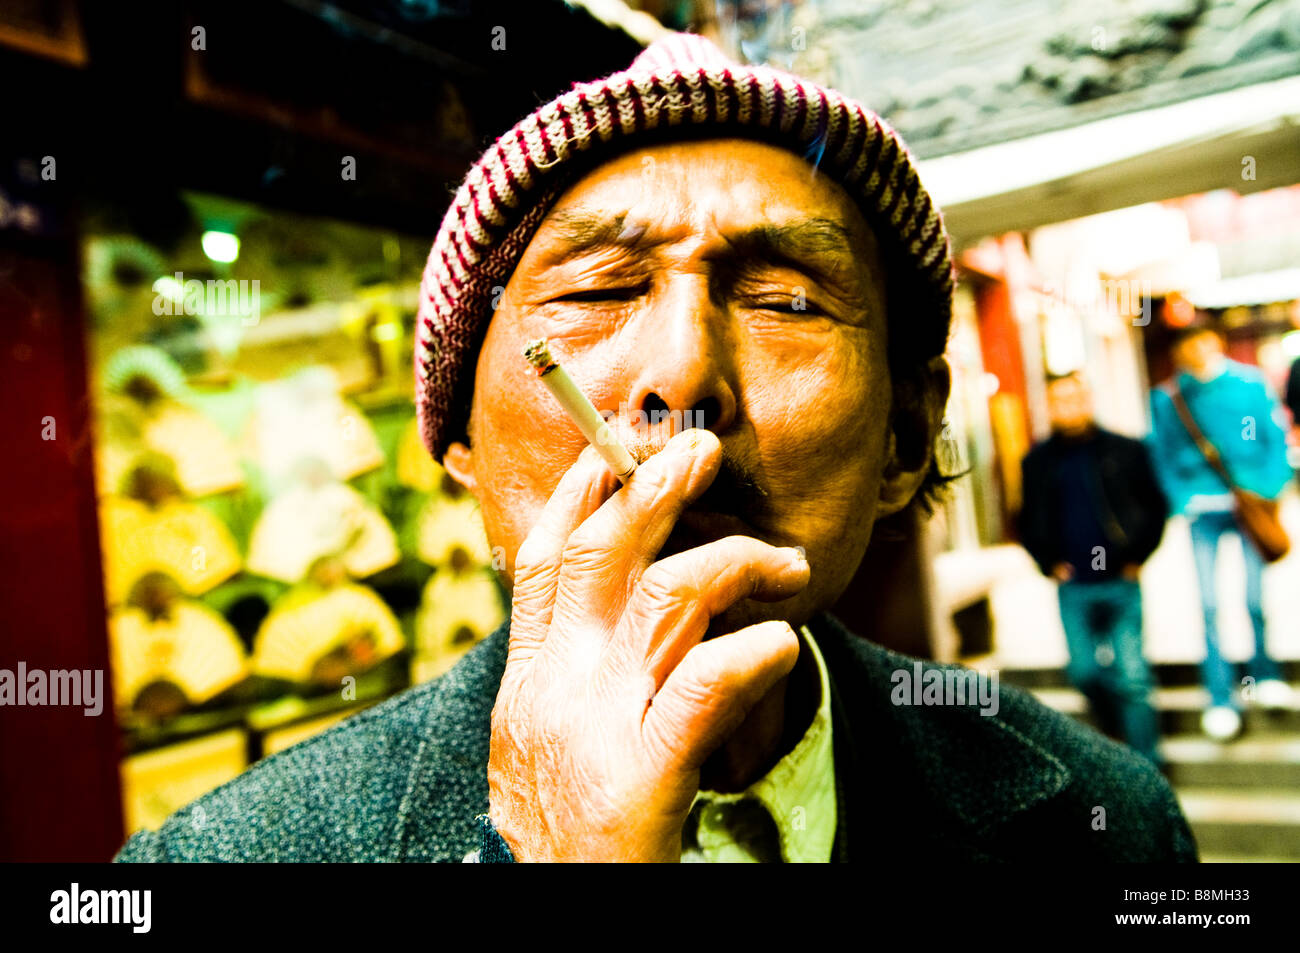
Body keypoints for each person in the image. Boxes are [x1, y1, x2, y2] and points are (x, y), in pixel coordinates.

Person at [114, 33, 1195, 863]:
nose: (682, 375)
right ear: (459, 449)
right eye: (595, 290)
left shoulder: (1110, 822)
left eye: (784, 299)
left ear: (908, 436)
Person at [1148, 325, 1296, 742]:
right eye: (1184, 347)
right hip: (1203, 509)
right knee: (1209, 604)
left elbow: (1274, 439)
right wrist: (1182, 499)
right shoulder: (1169, 398)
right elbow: (1162, 455)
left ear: (1215, 343)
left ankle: (1265, 676)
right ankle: (1220, 697)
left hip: (1249, 503)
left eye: (1200, 342)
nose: (1194, 352)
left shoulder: (1249, 384)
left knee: (1252, 596)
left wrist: (1267, 488)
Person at [1019, 372, 1168, 766]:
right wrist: (1046, 562)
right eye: (1060, 400)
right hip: (1074, 586)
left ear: (1089, 400)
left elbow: (1155, 506)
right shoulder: (1037, 462)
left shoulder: (1125, 450)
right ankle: (1113, 738)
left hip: (1120, 581)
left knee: (1132, 678)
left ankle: (1145, 765)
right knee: (1084, 672)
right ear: (1048, 407)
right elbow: (1026, 517)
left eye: (1076, 398)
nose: (1069, 407)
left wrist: (1138, 555)